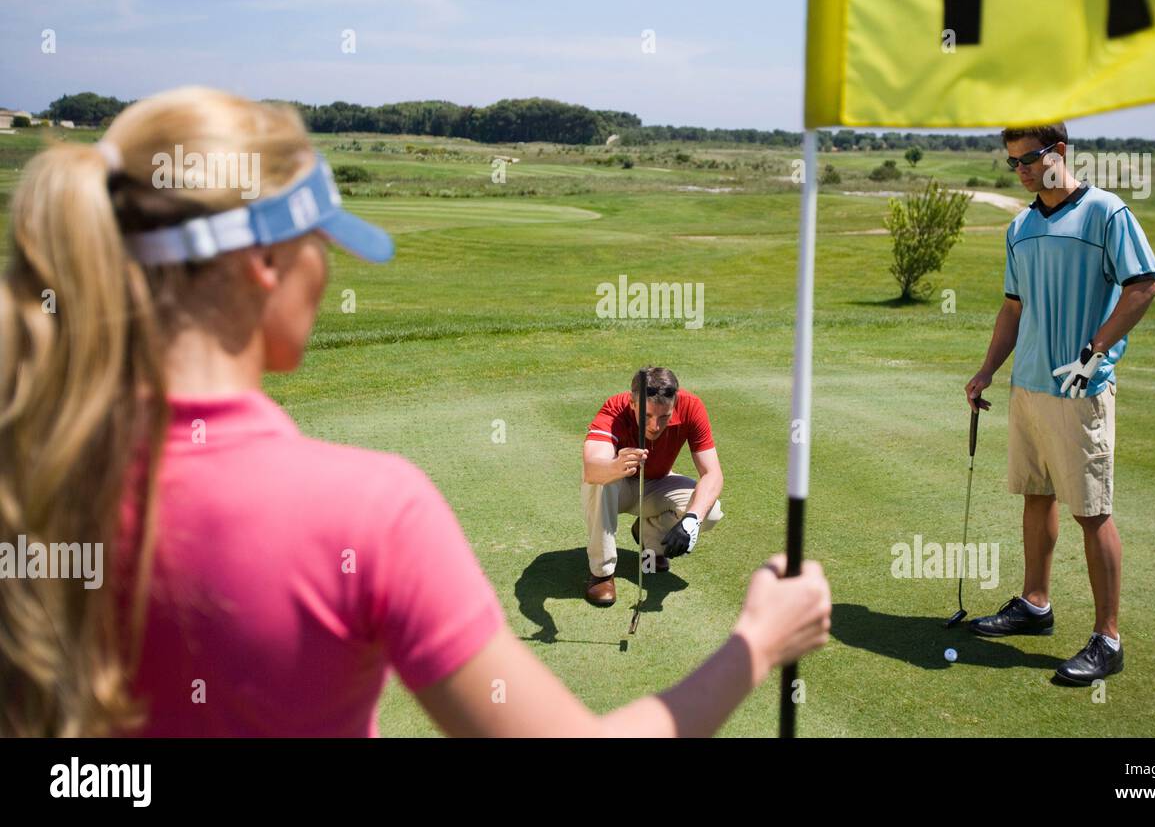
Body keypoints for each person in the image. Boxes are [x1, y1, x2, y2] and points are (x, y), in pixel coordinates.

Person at [0, 86, 831, 737]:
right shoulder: (371, 511)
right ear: (263, 263)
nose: (325, 272)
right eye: (319, 241)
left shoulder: (24, 470)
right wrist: (757, 642)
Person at [964, 122, 1155, 685]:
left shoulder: (1106, 213)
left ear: (1061, 153)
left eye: (1031, 158)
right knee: (1036, 494)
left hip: (1079, 389)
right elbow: (1012, 308)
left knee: (1092, 510)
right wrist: (986, 372)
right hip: (1028, 385)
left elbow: (1145, 283)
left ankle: (1108, 638)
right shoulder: (1020, 226)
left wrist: (1095, 351)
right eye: (1014, 162)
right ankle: (1035, 604)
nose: (1024, 168)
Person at [581, 366, 724, 606]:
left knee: (710, 511)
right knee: (599, 483)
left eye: (664, 417)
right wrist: (617, 465)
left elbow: (713, 473)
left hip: (658, 484)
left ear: (674, 404)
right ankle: (602, 573)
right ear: (632, 403)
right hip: (619, 488)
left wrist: (692, 519)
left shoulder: (691, 406)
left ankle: (650, 535)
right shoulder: (615, 408)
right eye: (646, 416)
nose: (654, 426)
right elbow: (591, 468)